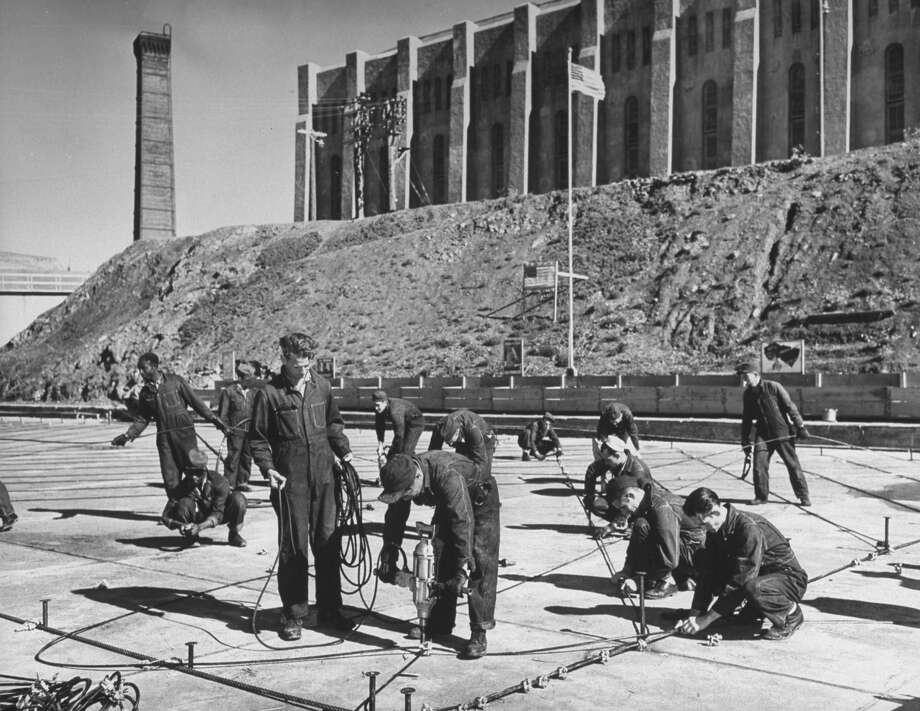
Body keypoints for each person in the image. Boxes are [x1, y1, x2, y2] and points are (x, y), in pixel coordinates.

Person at [249, 332, 355, 640]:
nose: (303, 371)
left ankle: (330, 609)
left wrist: (343, 450)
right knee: (294, 547)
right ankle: (294, 614)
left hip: (324, 475)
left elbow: (333, 423)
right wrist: (268, 468)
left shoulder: (322, 386)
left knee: (328, 542)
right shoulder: (269, 393)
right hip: (289, 480)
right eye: (297, 366)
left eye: (307, 365)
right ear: (283, 359)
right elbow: (258, 438)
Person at [376, 452, 500, 660]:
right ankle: (441, 623)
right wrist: (389, 550)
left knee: (480, 560)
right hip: (450, 501)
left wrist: (462, 568)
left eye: (407, 493)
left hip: (480, 500)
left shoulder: (447, 476)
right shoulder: (404, 475)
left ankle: (480, 631)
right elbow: (395, 515)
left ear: (417, 477)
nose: (406, 498)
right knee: (439, 552)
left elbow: (463, 521)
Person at [675, 487, 808, 641]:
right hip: (760, 576)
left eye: (703, 524)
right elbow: (708, 574)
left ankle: (791, 614)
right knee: (704, 560)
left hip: (788, 580)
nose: (702, 529)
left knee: (754, 587)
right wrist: (695, 616)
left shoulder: (748, 529)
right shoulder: (716, 529)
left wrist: (707, 619)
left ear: (715, 512)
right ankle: (751, 609)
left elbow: (742, 579)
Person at [111, 352, 228, 500]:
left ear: (154, 366)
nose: (141, 372)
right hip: (164, 439)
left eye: (144, 368)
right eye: (139, 369)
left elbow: (197, 404)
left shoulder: (176, 382)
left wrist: (216, 421)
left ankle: (206, 503)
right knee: (170, 476)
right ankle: (176, 507)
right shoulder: (145, 393)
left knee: (195, 470)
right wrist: (128, 435)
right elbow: (143, 419)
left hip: (185, 436)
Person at [608, 475, 705, 599]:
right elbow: (637, 538)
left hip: (694, 554)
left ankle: (667, 582)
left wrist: (639, 581)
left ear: (630, 496)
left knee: (651, 534)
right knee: (641, 524)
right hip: (680, 545)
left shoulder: (661, 508)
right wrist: (627, 570)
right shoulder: (645, 500)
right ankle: (653, 577)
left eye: (623, 507)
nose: (623, 513)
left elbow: (670, 558)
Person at [736, 361, 811, 506]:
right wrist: (745, 440)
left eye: (746, 377)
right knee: (759, 466)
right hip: (763, 435)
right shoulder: (748, 395)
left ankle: (804, 496)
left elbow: (790, 407)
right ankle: (761, 496)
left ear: (756, 375)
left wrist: (800, 426)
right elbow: (746, 419)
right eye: (743, 378)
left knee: (792, 465)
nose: (744, 381)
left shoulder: (774, 387)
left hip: (782, 433)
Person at [160, 448, 247, 547]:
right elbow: (165, 516)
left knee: (239, 499)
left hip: (220, 513)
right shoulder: (183, 486)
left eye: (197, 472)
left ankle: (234, 534)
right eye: (189, 472)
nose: (193, 477)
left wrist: (199, 527)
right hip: (199, 515)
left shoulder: (219, 482)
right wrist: (181, 525)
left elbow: (218, 512)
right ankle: (191, 537)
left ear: (204, 470)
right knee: (183, 503)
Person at [583, 435, 653, 523]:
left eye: (607, 460)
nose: (605, 463)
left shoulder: (638, 471)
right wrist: (589, 495)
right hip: (622, 497)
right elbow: (592, 470)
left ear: (617, 455)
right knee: (596, 504)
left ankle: (626, 523)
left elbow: (642, 501)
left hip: (637, 506)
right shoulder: (614, 460)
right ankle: (619, 521)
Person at [217, 361, 261, 491]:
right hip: (235, 431)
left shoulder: (254, 392)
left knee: (247, 456)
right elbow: (222, 414)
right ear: (241, 378)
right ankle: (230, 483)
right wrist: (225, 427)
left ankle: (243, 482)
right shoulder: (229, 392)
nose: (251, 381)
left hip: (250, 430)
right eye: (249, 379)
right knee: (233, 457)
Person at [428, 409, 496, 479]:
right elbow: (432, 455)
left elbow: (481, 462)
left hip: (485, 438)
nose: (450, 444)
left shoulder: (473, 430)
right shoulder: (439, 428)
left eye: (451, 441)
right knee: (461, 468)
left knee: (484, 475)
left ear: (457, 432)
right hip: (464, 437)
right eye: (446, 441)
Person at [372, 390, 425, 465]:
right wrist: (380, 445)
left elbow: (399, 435)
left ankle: (416, 467)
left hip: (415, 422)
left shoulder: (395, 410)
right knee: (401, 450)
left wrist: (392, 454)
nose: (376, 408)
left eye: (378, 405)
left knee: (405, 453)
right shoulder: (380, 409)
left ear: (385, 402)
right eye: (374, 405)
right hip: (404, 421)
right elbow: (379, 426)